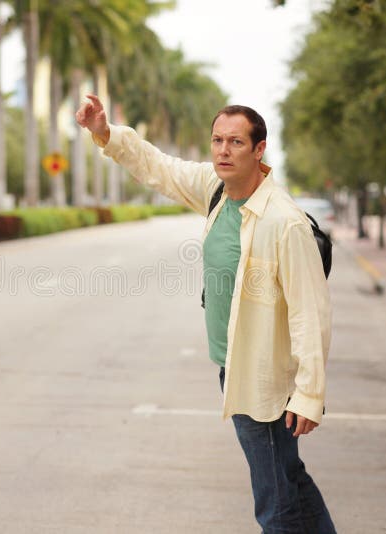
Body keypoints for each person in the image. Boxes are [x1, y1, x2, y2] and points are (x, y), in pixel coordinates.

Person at [76, 94, 336, 534]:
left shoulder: (283, 222)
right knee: (288, 480)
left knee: (275, 503)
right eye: (217, 140)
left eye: (236, 142)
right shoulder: (217, 190)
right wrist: (104, 133)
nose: (223, 151)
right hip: (232, 366)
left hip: (265, 380)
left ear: (259, 150)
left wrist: (309, 394)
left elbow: (310, 313)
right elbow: (157, 166)